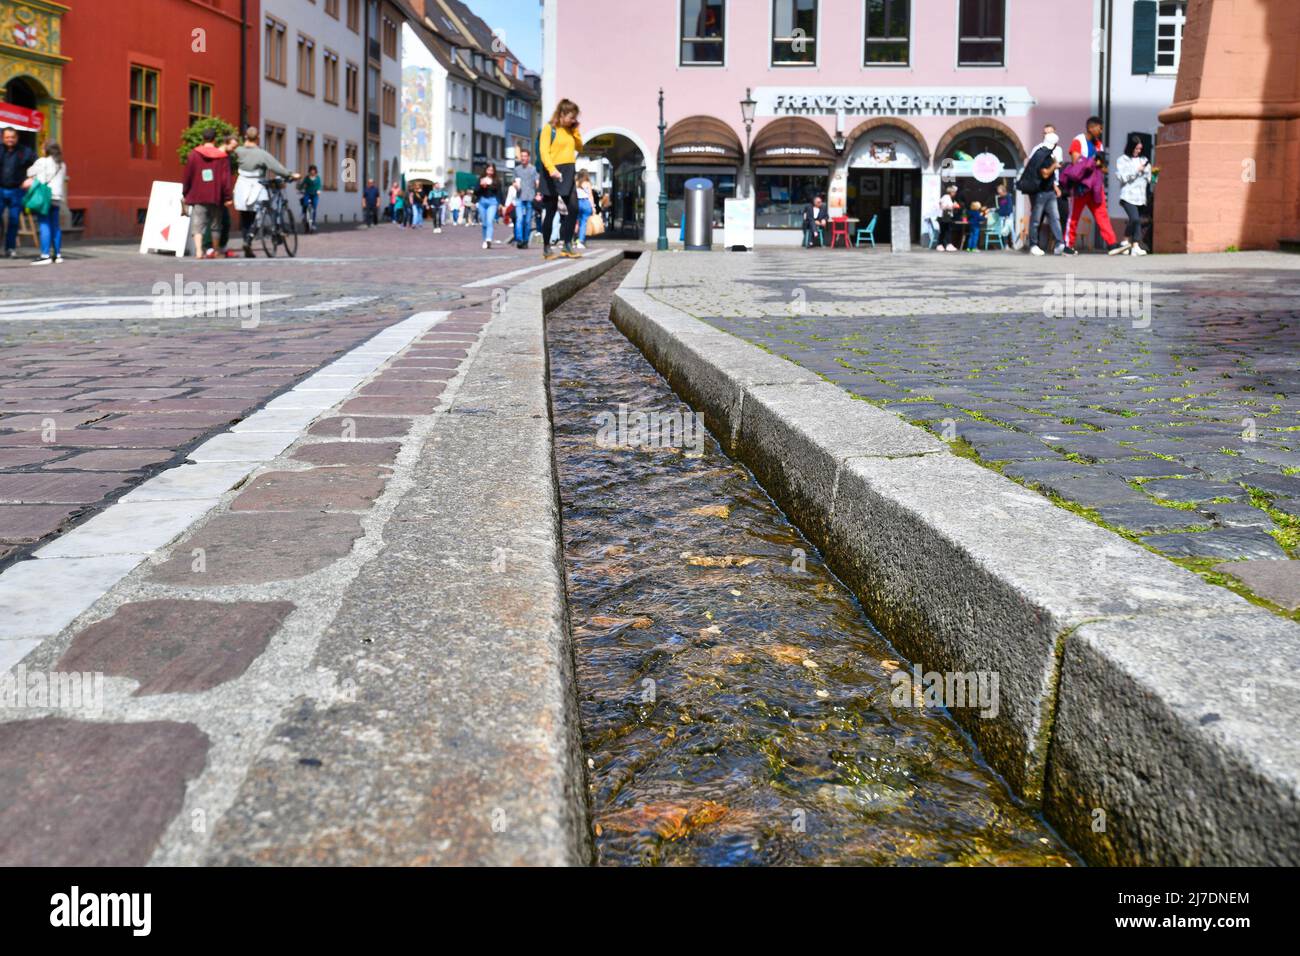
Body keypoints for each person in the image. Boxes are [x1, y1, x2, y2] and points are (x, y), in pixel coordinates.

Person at [1064, 116, 1125, 255]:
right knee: (1074, 215)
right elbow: (1075, 161)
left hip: (1096, 186)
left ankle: (1112, 244)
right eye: (1100, 128)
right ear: (1091, 128)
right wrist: (1093, 163)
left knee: (1102, 214)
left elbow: (1103, 166)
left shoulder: (1099, 144)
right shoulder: (1078, 141)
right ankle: (1068, 246)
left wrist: (1099, 165)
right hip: (1081, 186)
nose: (1101, 131)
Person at [233, 127, 297, 256]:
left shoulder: (238, 151)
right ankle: (257, 236)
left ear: (245, 137)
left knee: (245, 217)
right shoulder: (261, 154)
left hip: (241, 185)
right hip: (256, 185)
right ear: (258, 138)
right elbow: (276, 167)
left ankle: (247, 244)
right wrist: (290, 175)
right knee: (261, 212)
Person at [538, 98, 584, 259]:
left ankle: (567, 245)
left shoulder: (571, 131)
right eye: (572, 117)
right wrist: (552, 170)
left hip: (568, 170)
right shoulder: (549, 129)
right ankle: (546, 248)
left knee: (574, 208)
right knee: (550, 212)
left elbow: (580, 146)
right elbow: (544, 152)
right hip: (552, 172)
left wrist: (576, 130)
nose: (574, 120)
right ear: (562, 114)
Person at [181, 127, 233, 259]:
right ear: (215, 139)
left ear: (203, 138)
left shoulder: (194, 154)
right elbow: (225, 179)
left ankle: (199, 251)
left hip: (198, 194)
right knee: (216, 224)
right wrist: (228, 196)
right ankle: (215, 250)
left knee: (198, 223)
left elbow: (188, 175)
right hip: (216, 195)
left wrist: (185, 191)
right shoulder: (222, 156)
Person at [1021, 129, 1065, 256]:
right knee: (1036, 219)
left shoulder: (1045, 153)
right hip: (1039, 192)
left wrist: (1055, 186)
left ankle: (1059, 243)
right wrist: (1054, 166)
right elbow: (1045, 173)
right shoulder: (1041, 154)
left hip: (1049, 190)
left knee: (1054, 217)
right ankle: (1034, 244)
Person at [23, 140, 66, 265]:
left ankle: (45, 255)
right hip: (57, 197)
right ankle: (57, 255)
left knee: (44, 224)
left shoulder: (42, 161)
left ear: (47, 149)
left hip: (44, 196)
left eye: (42, 148)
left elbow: (29, 172)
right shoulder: (62, 164)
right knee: (55, 225)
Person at [2, 126, 36, 259]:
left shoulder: (25, 151)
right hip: (0, 190)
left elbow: (39, 164)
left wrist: (31, 179)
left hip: (17, 190)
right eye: (7, 137)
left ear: (17, 137)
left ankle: (10, 248)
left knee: (14, 220)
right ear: (3, 138)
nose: (10, 139)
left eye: (12, 137)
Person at [1115, 134, 1153, 255]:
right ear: (1130, 147)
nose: (1138, 151)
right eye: (1136, 148)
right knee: (1135, 219)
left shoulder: (1144, 160)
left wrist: (1153, 175)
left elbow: (1149, 178)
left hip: (1140, 197)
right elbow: (1122, 177)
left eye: (1140, 149)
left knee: (1134, 220)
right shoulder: (1122, 160)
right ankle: (1136, 245)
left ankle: (1125, 242)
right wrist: (1137, 170)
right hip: (1128, 195)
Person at [513, 149, 539, 249]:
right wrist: (515, 185)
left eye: (525, 156)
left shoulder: (533, 169)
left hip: (530, 197)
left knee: (527, 221)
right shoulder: (517, 169)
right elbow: (514, 181)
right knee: (519, 219)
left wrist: (538, 186)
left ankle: (525, 240)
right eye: (522, 156)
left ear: (528, 158)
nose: (523, 158)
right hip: (519, 197)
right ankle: (519, 240)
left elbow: (537, 181)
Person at [475, 163, 501, 249]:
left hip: (492, 202)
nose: (490, 172)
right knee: (484, 223)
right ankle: (485, 240)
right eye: (488, 170)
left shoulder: (496, 180)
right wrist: (482, 186)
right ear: (485, 170)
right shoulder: (481, 179)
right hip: (482, 201)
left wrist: (502, 204)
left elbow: (499, 193)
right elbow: (476, 191)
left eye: (492, 170)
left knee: (490, 221)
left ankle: (489, 239)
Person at [298, 165, 322, 232]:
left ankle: (313, 224)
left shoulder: (318, 178)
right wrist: (299, 188)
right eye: (311, 170)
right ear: (309, 171)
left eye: (313, 170)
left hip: (315, 194)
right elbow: (302, 184)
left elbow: (319, 185)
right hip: (308, 193)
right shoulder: (307, 178)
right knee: (305, 203)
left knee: (314, 207)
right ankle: (303, 214)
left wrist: (319, 190)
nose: (312, 171)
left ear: (315, 171)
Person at [937, 184, 960, 251]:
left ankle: (943, 244)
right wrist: (953, 206)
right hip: (944, 217)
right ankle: (945, 244)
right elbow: (943, 207)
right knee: (946, 230)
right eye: (954, 192)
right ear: (951, 192)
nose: (955, 194)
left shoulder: (948, 197)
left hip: (946, 217)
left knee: (945, 231)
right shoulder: (946, 197)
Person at [575, 172, 594, 249]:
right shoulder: (587, 183)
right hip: (586, 203)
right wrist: (593, 207)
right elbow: (590, 196)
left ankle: (574, 239)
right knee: (584, 223)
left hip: (576, 202)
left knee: (576, 222)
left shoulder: (575, 183)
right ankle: (581, 241)